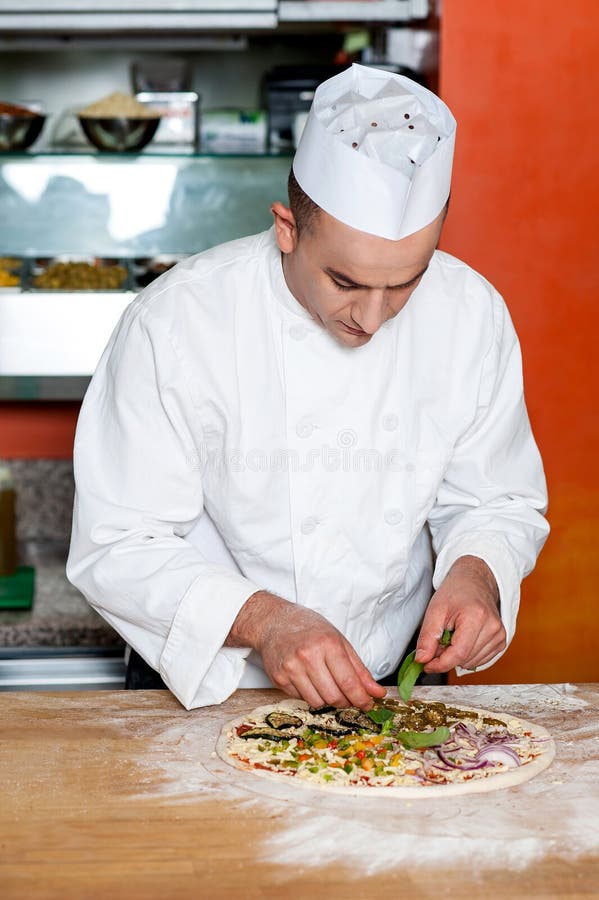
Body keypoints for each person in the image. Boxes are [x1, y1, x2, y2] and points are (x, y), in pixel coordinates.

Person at [67, 65, 549, 710]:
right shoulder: (177, 322)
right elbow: (117, 544)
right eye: (345, 283)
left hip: (388, 686)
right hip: (212, 686)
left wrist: (477, 573)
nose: (372, 319)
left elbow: (497, 499)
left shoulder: (471, 313)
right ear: (287, 229)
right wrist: (266, 621)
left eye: (405, 283)